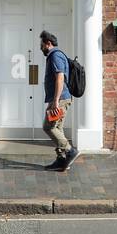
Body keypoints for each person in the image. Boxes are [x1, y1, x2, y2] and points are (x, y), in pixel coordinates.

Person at [39, 30, 79, 171]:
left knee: (48, 127)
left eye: (42, 45)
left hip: (60, 99)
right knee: (58, 128)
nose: (41, 47)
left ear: (48, 44)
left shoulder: (55, 56)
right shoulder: (57, 55)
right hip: (62, 98)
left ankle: (69, 151)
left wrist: (55, 101)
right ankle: (62, 160)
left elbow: (60, 78)